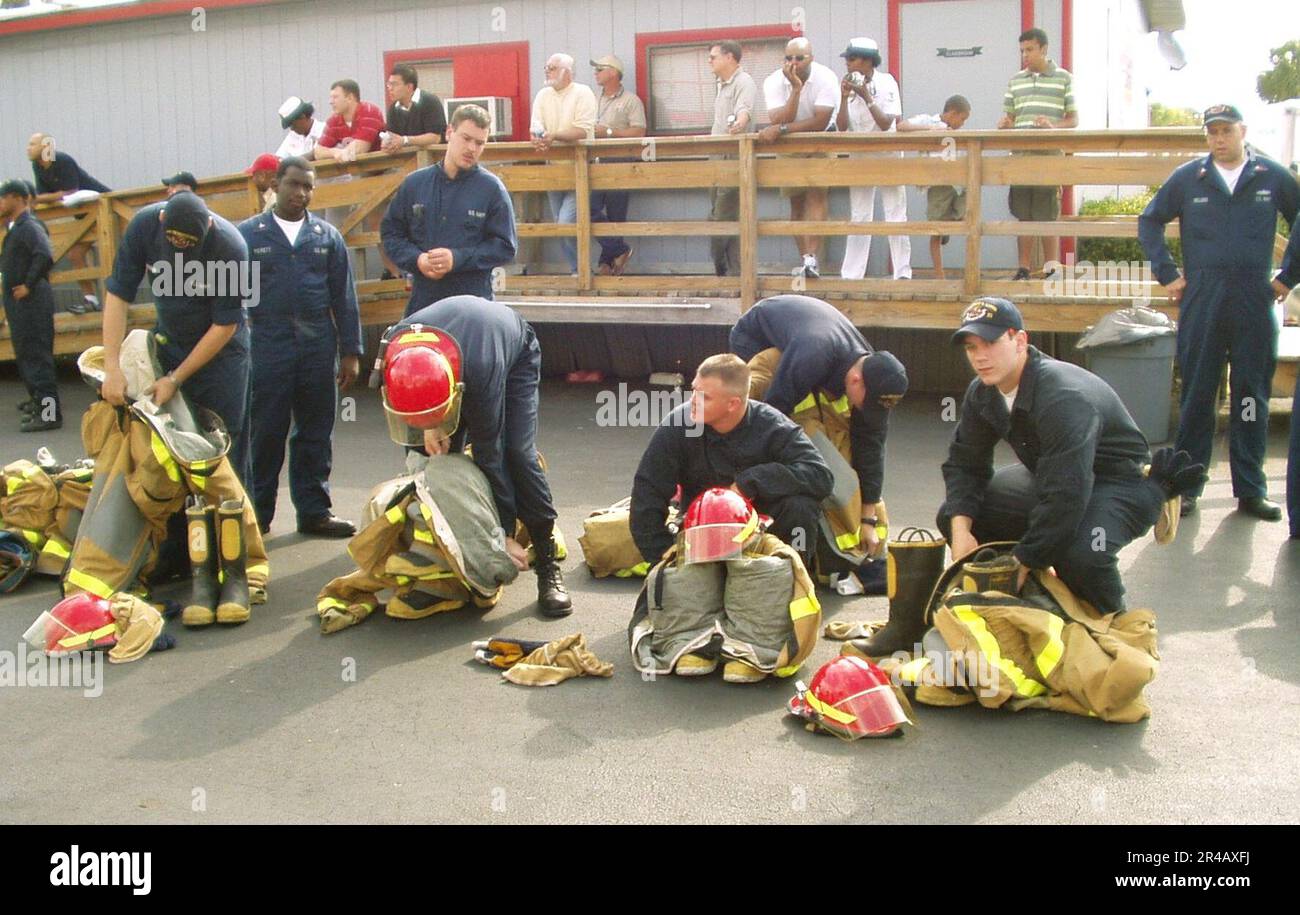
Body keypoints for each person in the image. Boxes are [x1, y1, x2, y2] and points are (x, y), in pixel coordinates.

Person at [938, 297, 1177, 613]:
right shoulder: (983, 392)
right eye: (971, 347)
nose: (980, 356)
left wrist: (1023, 561)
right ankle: (1029, 603)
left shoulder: (1064, 398)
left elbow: (1066, 495)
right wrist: (961, 532)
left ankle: (1112, 621)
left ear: (1019, 340)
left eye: (991, 343)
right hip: (1054, 470)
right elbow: (965, 463)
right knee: (956, 515)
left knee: (1081, 555)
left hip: (1120, 481)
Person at [1139, 103, 1300, 520]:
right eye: (1212, 132)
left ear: (1242, 130)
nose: (1219, 138)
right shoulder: (1190, 178)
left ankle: (1250, 490)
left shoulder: (1269, 176)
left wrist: (1289, 276)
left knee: (1250, 396)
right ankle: (1188, 487)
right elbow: (1150, 220)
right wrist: (1167, 273)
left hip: (1254, 297)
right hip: (1203, 297)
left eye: (1226, 130)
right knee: (1197, 394)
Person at [380, 295, 571, 617]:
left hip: (508, 353)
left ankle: (547, 562)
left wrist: (501, 536)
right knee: (433, 460)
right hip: (449, 362)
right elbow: (413, 413)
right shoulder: (393, 355)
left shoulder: (482, 371)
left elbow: (490, 454)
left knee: (516, 454)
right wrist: (429, 425)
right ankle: (446, 558)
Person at [729, 294, 907, 561]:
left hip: (810, 338)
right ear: (856, 380)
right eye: (867, 403)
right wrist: (767, 474)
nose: (868, 410)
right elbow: (771, 414)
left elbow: (871, 445)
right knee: (782, 412)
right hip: (756, 333)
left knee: (830, 423)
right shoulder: (812, 356)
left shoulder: (872, 370)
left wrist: (868, 518)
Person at [239, 156, 361, 539]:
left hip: (317, 347)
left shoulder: (327, 237)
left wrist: (351, 352)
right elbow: (231, 300)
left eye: (308, 187)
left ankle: (314, 511)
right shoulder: (248, 235)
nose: (301, 193)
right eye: (294, 184)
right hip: (267, 345)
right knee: (265, 433)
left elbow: (344, 298)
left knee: (315, 432)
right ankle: (256, 514)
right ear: (275, 184)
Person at [102, 191, 253, 486]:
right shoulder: (143, 227)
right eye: (175, 242)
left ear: (209, 226)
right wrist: (112, 367)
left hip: (221, 356)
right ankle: (181, 517)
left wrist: (175, 379)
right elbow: (118, 296)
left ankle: (231, 513)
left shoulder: (231, 247)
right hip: (171, 343)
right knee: (169, 444)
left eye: (190, 245)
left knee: (223, 447)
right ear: (162, 220)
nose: (182, 251)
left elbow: (225, 325)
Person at [630, 353, 833, 571]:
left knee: (801, 506)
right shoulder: (679, 425)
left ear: (733, 404)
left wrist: (750, 482)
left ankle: (794, 574)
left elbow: (820, 475)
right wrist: (661, 558)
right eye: (694, 390)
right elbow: (647, 492)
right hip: (703, 528)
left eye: (705, 397)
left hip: (763, 527)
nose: (693, 401)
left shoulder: (772, 426)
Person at [381, 104, 517, 314]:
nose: (472, 148)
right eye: (466, 138)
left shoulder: (492, 189)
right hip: (424, 304)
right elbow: (391, 234)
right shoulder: (415, 184)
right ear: (449, 132)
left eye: (479, 143)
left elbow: (505, 247)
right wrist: (417, 259)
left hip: (473, 308)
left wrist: (457, 259)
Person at [996, 28, 1077, 280]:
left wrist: (1053, 126)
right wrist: (1006, 124)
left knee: (1047, 214)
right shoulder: (1015, 81)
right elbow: (1010, 117)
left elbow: (1073, 119)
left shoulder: (1063, 78)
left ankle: (1051, 268)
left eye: (1029, 49)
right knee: (1023, 214)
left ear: (1044, 49)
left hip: (1049, 156)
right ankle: (1023, 268)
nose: (1025, 55)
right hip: (1020, 155)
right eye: (1022, 51)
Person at [758, 37, 839, 279]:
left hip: (819, 139)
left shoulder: (826, 77)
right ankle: (805, 259)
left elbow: (820, 121)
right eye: (788, 58)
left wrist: (782, 129)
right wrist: (795, 89)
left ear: (811, 58)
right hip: (789, 145)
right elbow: (778, 118)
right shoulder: (773, 81)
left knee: (817, 195)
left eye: (799, 58)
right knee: (796, 201)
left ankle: (812, 257)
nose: (793, 63)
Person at [835, 37, 909, 281]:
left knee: (895, 212)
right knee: (859, 214)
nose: (847, 63)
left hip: (888, 152)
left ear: (868, 61)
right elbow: (841, 127)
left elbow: (886, 122)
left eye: (852, 58)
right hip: (860, 153)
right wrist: (844, 97)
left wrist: (866, 95)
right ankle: (852, 275)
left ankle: (902, 273)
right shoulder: (847, 83)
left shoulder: (887, 82)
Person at [0, 179, 60, 432]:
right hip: (21, 305)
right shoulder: (16, 227)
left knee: (37, 358)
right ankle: (38, 402)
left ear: (17, 198)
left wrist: (28, 284)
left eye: (3, 197)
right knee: (27, 355)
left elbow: (44, 254)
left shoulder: (29, 226)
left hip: (32, 302)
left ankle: (50, 414)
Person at [26, 132, 109, 312]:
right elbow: (45, 195)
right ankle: (91, 300)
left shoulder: (62, 160)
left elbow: (70, 191)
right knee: (75, 255)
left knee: (118, 251)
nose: (28, 148)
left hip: (104, 210)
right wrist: (38, 199)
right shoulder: (37, 166)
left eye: (32, 144)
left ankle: (114, 300)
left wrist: (36, 199)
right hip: (84, 217)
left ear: (45, 146)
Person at [529, 53, 597, 274]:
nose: (547, 71)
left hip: (581, 168)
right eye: (546, 67)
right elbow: (536, 127)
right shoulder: (542, 95)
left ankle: (581, 270)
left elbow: (582, 130)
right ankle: (579, 269)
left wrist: (553, 136)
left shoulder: (583, 92)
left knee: (566, 223)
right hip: (553, 169)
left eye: (552, 68)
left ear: (566, 72)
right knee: (560, 225)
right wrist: (538, 138)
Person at [897, 95, 972, 279]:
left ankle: (948, 225)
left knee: (968, 214)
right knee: (936, 228)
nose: (962, 124)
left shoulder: (959, 133)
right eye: (962, 119)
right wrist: (930, 129)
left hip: (958, 182)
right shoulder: (928, 120)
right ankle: (940, 275)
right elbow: (901, 126)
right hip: (937, 183)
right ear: (952, 113)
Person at [589, 54, 646, 276]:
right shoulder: (592, 99)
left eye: (600, 69)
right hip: (594, 163)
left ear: (613, 72)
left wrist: (609, 132)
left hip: (620, 162)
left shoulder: (631, 101)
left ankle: (607, 264)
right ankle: (620, 250)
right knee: (589, 209)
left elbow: (639, 132)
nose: (595, 73)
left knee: (616, 216)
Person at [706, 40, 758, 277]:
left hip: (734, 156)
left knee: (722, 216)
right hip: (717, 156)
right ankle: (734, 273)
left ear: (730, 58)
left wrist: (740, 123)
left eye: (713, 56)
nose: (709, 61)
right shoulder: (720, 84)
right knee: (721, 214)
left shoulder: (744, 81)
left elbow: (744, 110)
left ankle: (723, 270)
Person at [381, 64, 447, 151]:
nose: (390, 88)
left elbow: (435, 137)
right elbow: (393, 136)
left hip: (434, 156)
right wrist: (387, 143)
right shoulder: (393, 109)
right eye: (389, 84)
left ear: (409, 87)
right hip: (407, 158)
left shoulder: (430, 101)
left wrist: (405, 140)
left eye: (395, 84)